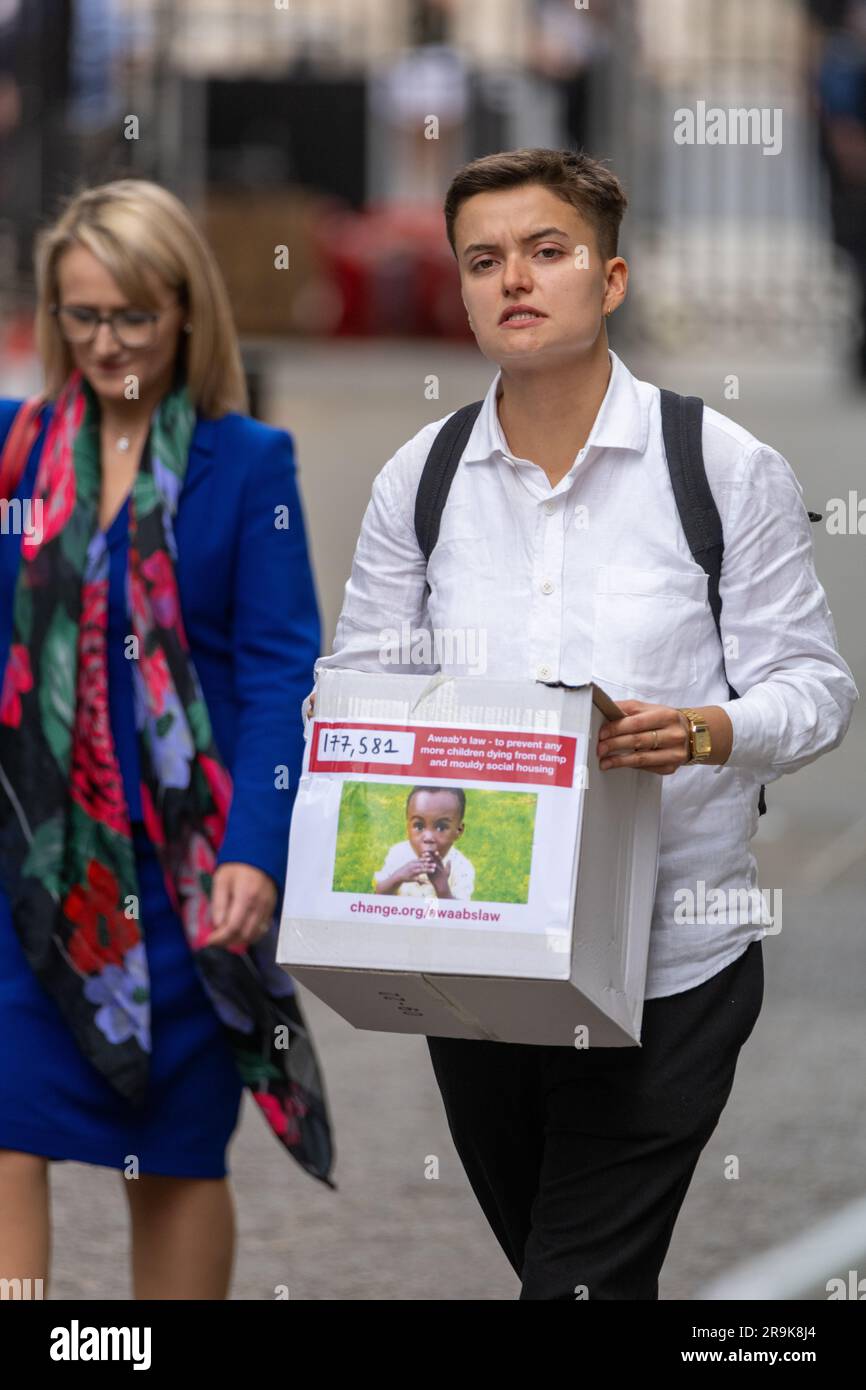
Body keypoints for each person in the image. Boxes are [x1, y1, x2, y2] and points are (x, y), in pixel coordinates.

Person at [309, 147, 858, 1299]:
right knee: (566, 1271)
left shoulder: (719, 466)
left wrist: (704, 731)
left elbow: (813, 690)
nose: (514, 278)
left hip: (673, 956)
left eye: (546, 251)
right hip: (480, 968)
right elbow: (353, 686)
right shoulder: (423, 475)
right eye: (483, 260)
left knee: (573, 1282)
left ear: (609, 279)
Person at [0, 178, 333, 1301]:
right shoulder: (12, 451)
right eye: (80, 315)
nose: (104, 342)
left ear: (186, 312)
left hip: (183, 877)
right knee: (5, 1129)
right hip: (28, 859)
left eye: (131, 315)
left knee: (175, 1155)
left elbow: (284, 672)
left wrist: (255, 848)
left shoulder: (248, 464)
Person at [372, 785, 474, 899]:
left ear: (458, 831)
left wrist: (442, 887)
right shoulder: (397, 854)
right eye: (419, 826)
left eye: (441, 827)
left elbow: (459, 914)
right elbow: (378, 893)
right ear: (408, 827)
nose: (428, 837)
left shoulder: (461, 867)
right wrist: (398, 877)